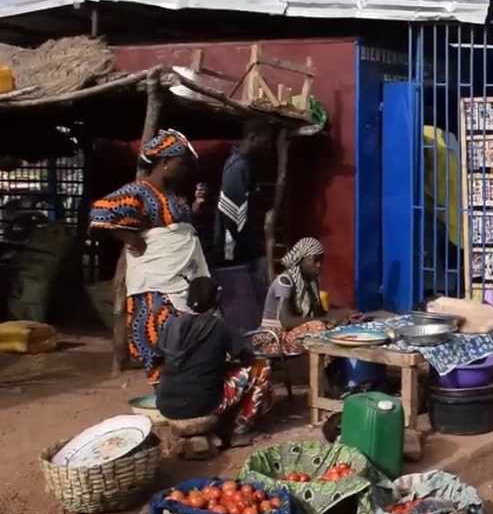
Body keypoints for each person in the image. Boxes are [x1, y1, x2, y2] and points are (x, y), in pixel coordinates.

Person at [91, 130, 210, 384]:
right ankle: (167, 397)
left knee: (192, 339)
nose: (185, 170)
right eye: (181, 164)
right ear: (164, 162)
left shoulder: (174, 195)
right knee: (162, 338)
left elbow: (179, 228)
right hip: (156, 283)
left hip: (183, 277)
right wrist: (130, 238)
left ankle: (184, 396)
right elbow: (101, 211)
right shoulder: (140, 191)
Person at [156, 277, 272, 440]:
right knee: (261, 367)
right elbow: (247, 358)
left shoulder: (170, 324)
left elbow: (160, 358)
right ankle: (240, 429)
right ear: (216, 298)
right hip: (202, 405)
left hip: (165, 405)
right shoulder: (218, 325)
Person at [211, 119, 276, 324]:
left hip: (238, 249)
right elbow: (232, 215)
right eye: (265, 141)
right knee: (242, 309)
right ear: (253, 137)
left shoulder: (242, 164)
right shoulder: (238, 166)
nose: (268, 146)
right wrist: (240, 249)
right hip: (235, 253)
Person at [258, 237, 332, 355]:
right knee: (318, 327)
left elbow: (321, 315)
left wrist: (342, 318)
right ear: (301, 260)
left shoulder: (311, 283)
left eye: (321, 261)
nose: (319, 265)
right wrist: (322, 321)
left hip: (291, 334)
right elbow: (286, 321)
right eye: (315, 260)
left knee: (335, 328)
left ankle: (328, 370)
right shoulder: (285, 281)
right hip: (274, 338)